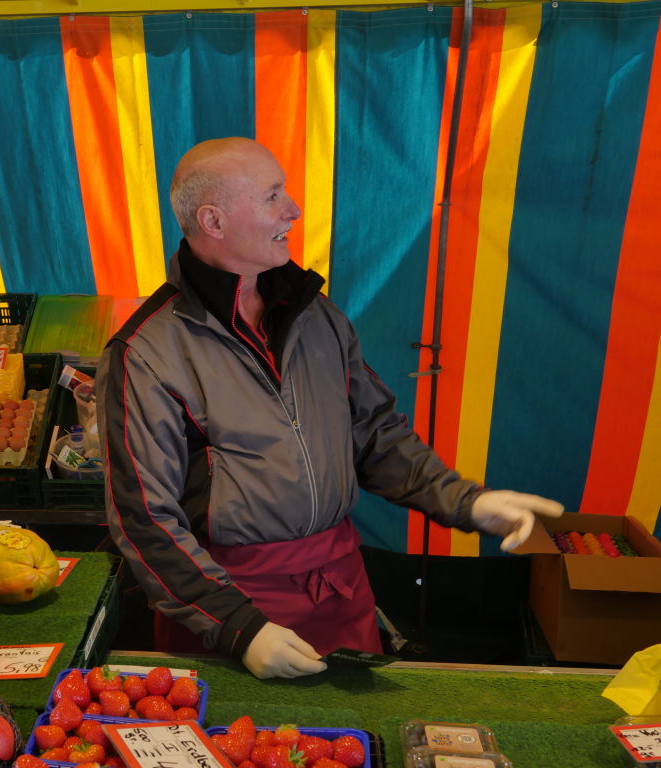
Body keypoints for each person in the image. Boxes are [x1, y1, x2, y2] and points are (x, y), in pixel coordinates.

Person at [96, 137, 564, 680]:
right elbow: (143, 518)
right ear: (214, 221)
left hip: (341, 590)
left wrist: (466, 501)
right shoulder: (145, 353)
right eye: (273, 196)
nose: (293, 210)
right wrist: (236, 626)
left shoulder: (315, 316)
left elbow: (376, 436)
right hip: (231, 609)